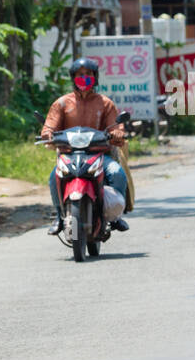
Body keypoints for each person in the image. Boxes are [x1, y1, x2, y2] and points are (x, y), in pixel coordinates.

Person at [42, 57, 129, 236]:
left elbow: (115, 126)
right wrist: (47, 133)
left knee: (117, 173)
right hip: (69, 155)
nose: (84, 77)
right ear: (73, 77)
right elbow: (50, 125)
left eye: (88, 74)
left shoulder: (105, 103)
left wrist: (118, 132)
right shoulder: (62, 103)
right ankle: (59, 216)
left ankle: (115, 216)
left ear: (95, 77)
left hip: (99, 155)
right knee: (53, 177)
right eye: (80, 75)